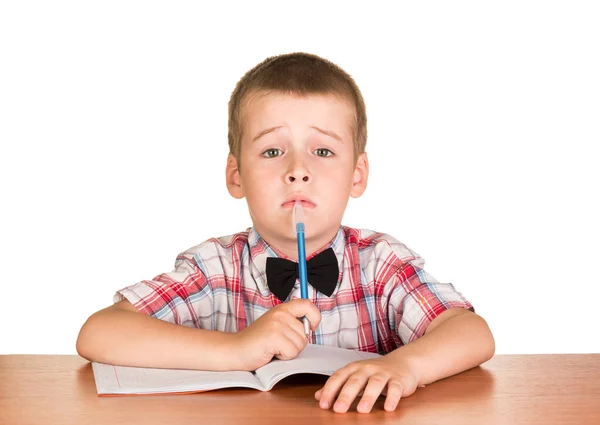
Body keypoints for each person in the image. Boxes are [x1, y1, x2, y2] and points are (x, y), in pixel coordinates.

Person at [77, 52, 495, 414]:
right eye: (273, 151)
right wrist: (238, 349)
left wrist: (405, 367)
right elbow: (99, 333)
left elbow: (472, 333)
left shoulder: (380, 263)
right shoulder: (214, 269)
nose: (297, 169)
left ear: (357, 174)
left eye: (323, 151)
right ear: (236, 174)